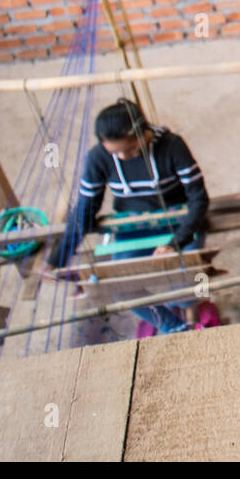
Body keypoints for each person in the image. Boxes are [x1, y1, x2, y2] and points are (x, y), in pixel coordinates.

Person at [46, 98, 213, 335]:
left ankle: (186, 306)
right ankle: (172, 325)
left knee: (185, 281)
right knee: (119, 285)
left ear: (144, 134)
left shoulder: (173, 146)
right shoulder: (98, 157)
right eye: (116, 152)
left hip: (179, 224)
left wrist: (175, 243)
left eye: (131, 149)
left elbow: (199, 200)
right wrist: (57, 258)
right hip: (132, 226)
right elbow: (85, 209)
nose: (123, 157)